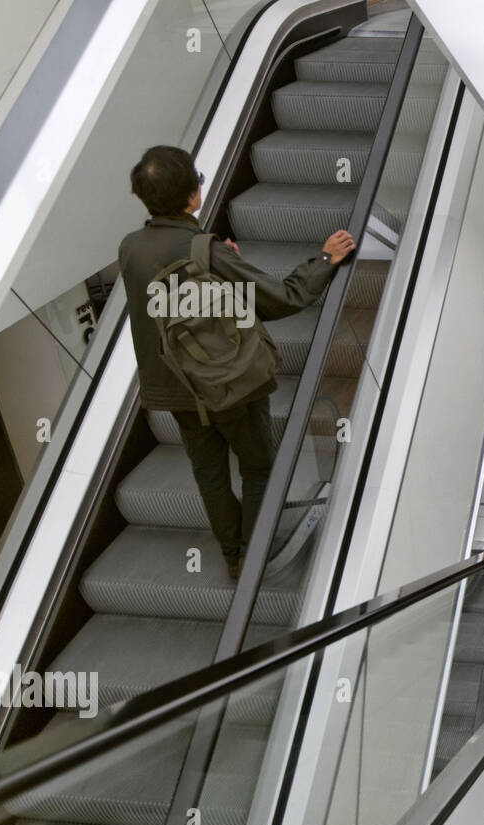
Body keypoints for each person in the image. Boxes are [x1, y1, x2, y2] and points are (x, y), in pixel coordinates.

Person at [118, 145, 356, 580]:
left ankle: (232, 554)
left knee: (208, 471)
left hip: (175, 386)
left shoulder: (130, 248)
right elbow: (282, 298)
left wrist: (220, 265)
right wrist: (324, 260)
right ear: (193, 196)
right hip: (229, 383)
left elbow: (173, 303)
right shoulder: (205, 250)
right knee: (258, 466)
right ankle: (256, 550)